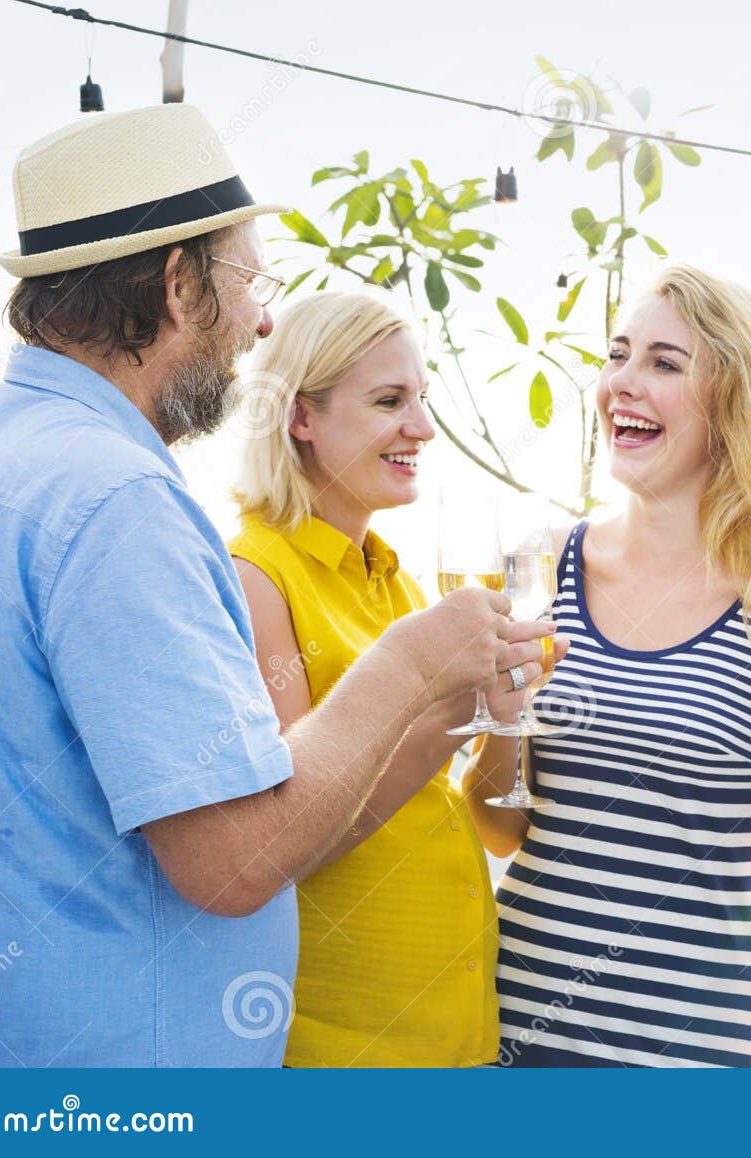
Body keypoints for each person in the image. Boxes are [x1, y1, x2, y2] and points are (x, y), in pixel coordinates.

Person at [0, 105, 547, 1067]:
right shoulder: (116, 499)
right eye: (250, 280)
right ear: (177, 287)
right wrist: (413, 662)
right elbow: (234, 862)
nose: (262, 321)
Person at [470, 265, 751, 1067]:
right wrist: (501, 725)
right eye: (619, 356)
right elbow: (498, 825)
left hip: (688, 1055)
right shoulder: (544, 565)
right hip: (509, 1036)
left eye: (664, 363)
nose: (623, 384)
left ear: (734, 405)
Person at [229, 291, 563, 1066]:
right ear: (299, 417)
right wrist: (453, 703)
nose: (421, 427)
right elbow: (287, 837)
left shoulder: (400, 586)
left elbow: (484, 823)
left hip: (459, 1024)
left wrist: (503, 715)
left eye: (422, 399)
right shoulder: (257, 578)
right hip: (347, 1039)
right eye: (389, 401)